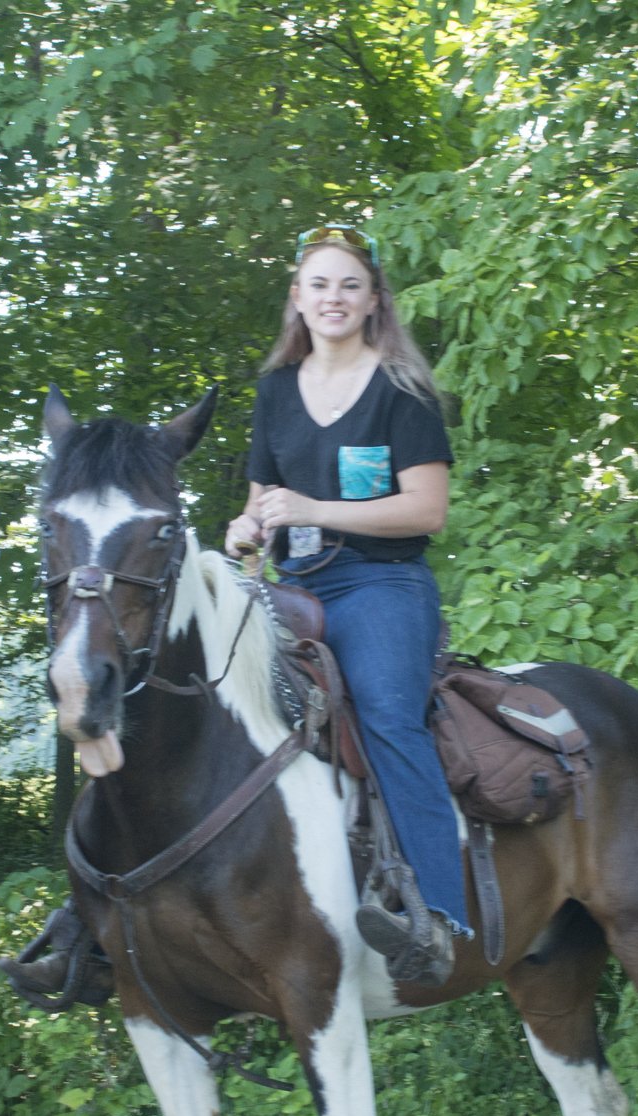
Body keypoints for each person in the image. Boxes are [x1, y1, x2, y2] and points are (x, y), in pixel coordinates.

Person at [223, 223, 467, 985]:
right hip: (289, 584)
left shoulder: (402, 392)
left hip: (379, 583)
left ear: (372, 303)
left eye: (349, 285)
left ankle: (434, 916)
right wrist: (245, 526)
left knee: (390, 714)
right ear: (297, 299)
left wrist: (315, 511)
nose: (334, 298)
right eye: (319, 284)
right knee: (195, 683)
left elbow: (427, 511)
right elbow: (265, 500)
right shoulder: (274, 393)